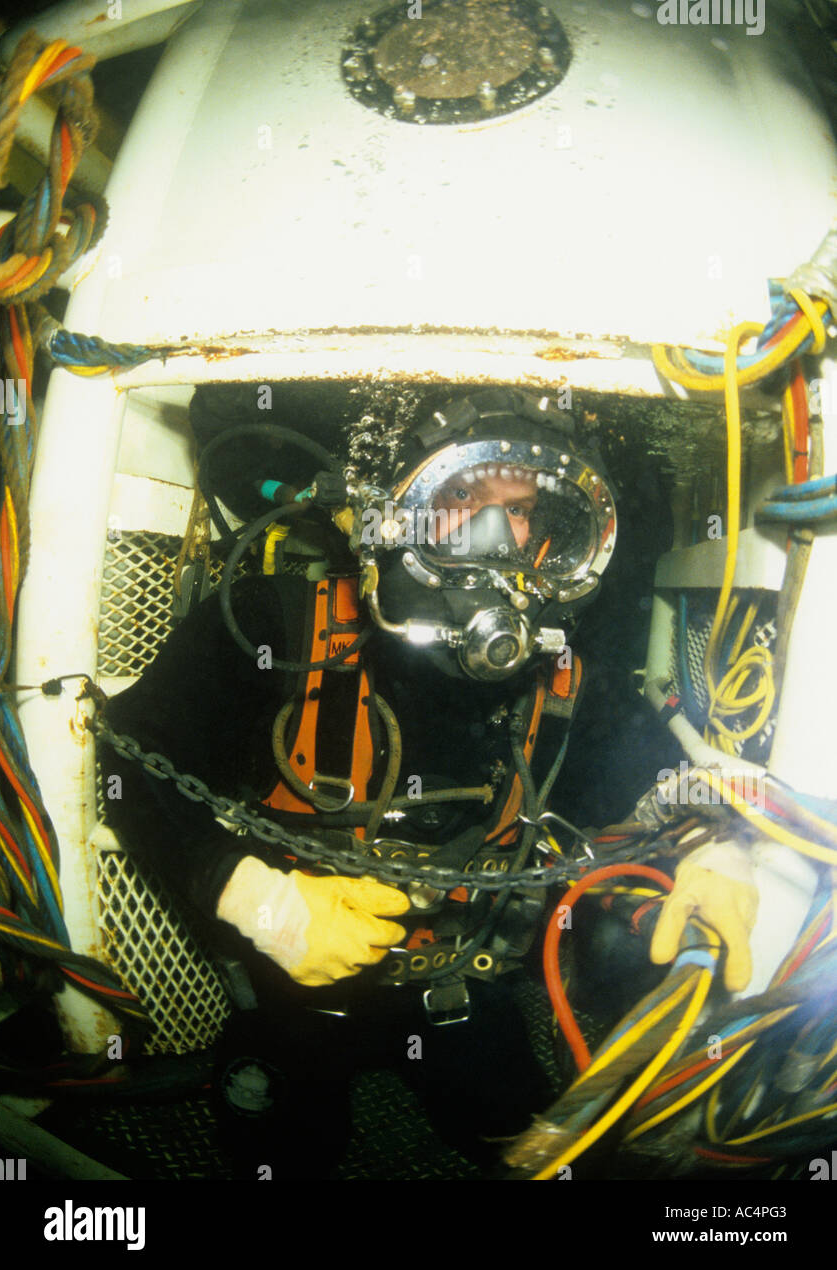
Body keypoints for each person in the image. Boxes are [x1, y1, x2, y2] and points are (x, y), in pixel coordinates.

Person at [99, 385, 757, 1176]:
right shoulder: (277, 622)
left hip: (462, 997)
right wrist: (259, 901)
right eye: (465, 497)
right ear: (392, 511)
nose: (493, 536)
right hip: (298, 994)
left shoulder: (566, 677)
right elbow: (130, 754)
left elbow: (657, 787)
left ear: (550, 537)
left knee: (553, 1160)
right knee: (275, 1155)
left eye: (517, 512)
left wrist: (715, 852)